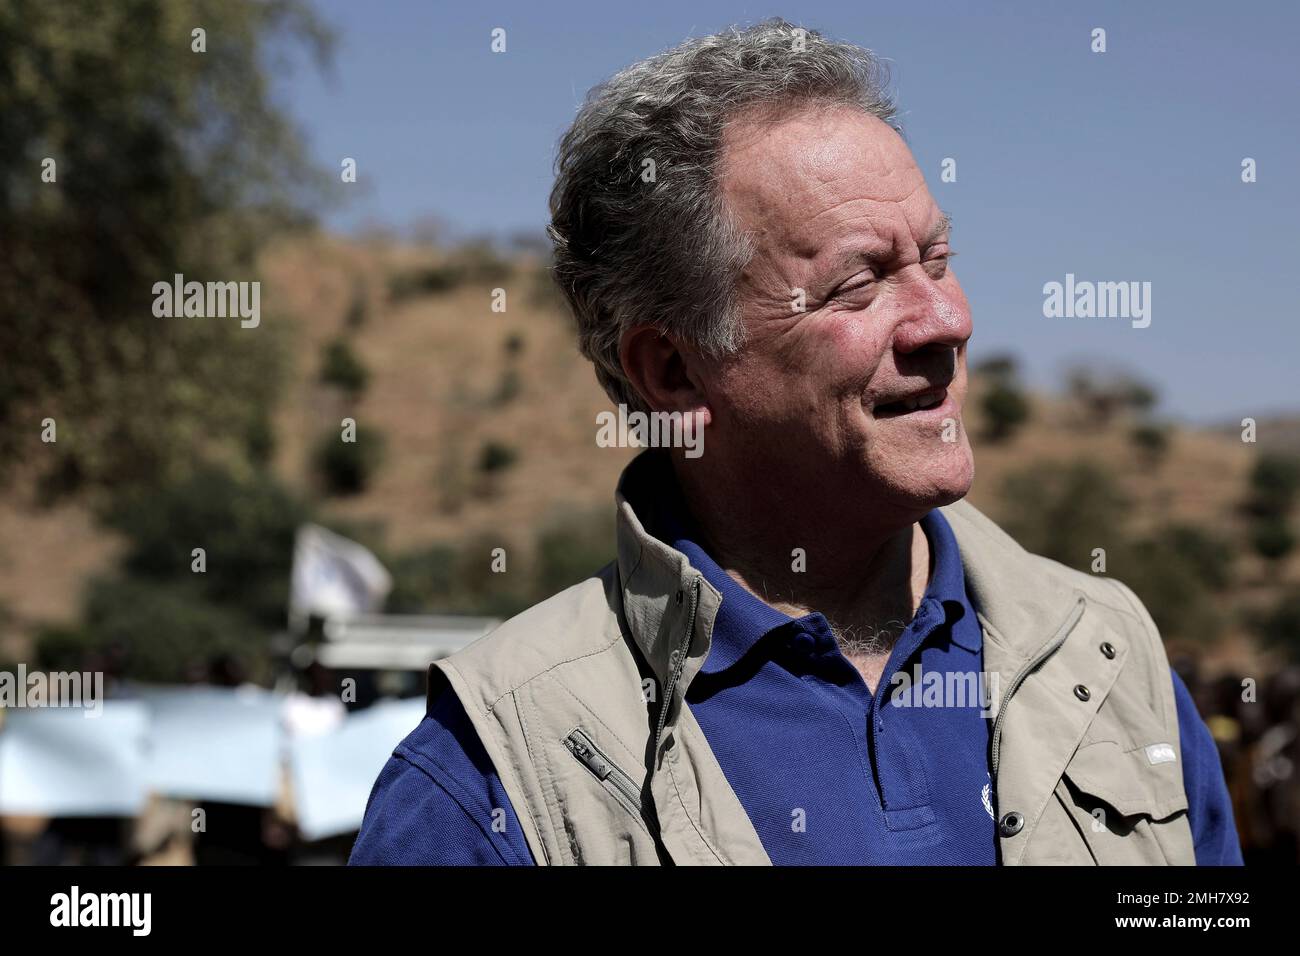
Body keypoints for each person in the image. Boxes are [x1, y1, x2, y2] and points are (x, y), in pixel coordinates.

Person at [351, 18, 1241, 866]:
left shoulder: (1107, 654)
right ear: (673, 372)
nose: (947, 320)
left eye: (936, 258)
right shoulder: (497, 772)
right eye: (860, 283)